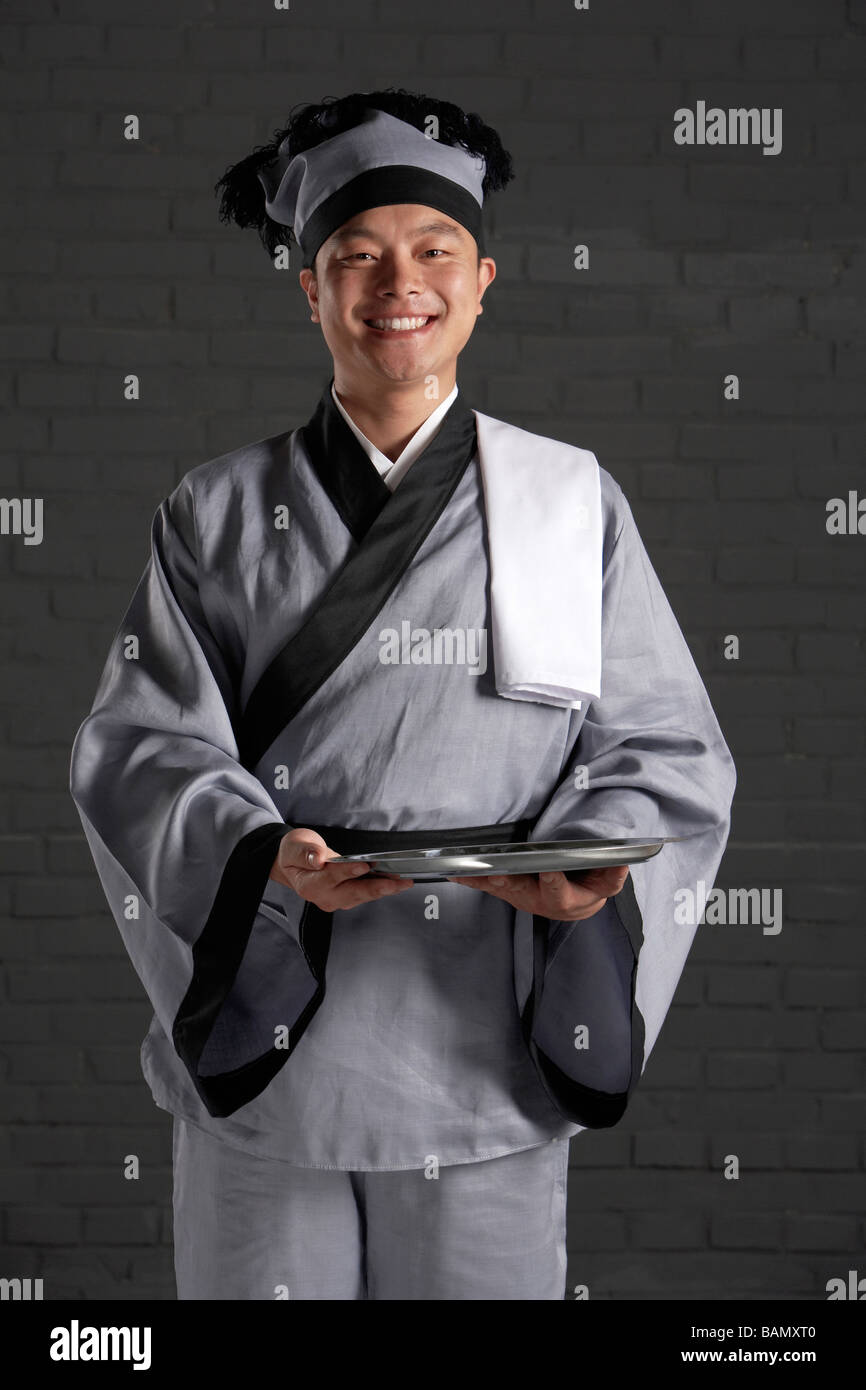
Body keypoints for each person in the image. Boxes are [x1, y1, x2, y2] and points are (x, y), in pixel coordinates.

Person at [69, 88, 736, 1301]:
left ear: (482, 280)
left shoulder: (567, 500)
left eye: (432, 252)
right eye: (355, 257)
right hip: (278, 1035)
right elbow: (138, 746)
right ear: (309, 289)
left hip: (482, 1035)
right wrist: (263, 854)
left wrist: (586, 859)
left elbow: (667, 745)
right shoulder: (213, 511)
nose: (397, 285)